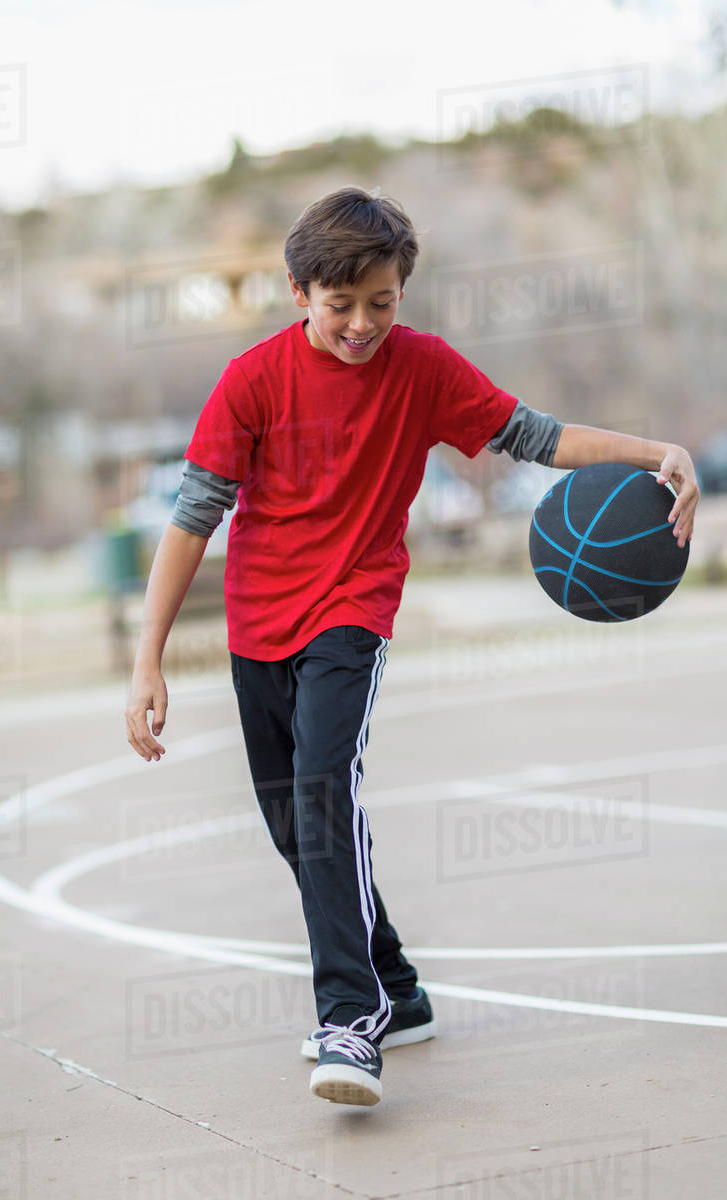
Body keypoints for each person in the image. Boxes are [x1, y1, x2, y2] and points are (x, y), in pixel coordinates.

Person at [125, 186, 699, 1107]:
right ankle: (398, 984)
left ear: (404, 293)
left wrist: (651, 452)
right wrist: (148, 660)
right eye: (341, 305)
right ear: (298, 291)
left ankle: (352, 1021)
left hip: (351, 612)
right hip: (256, 623)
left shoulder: (423, 370)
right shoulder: (252, 381)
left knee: (322, 797)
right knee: (294, 827)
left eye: (383, 304)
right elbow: (194, 519)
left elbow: (533, 436)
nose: (361, 325)